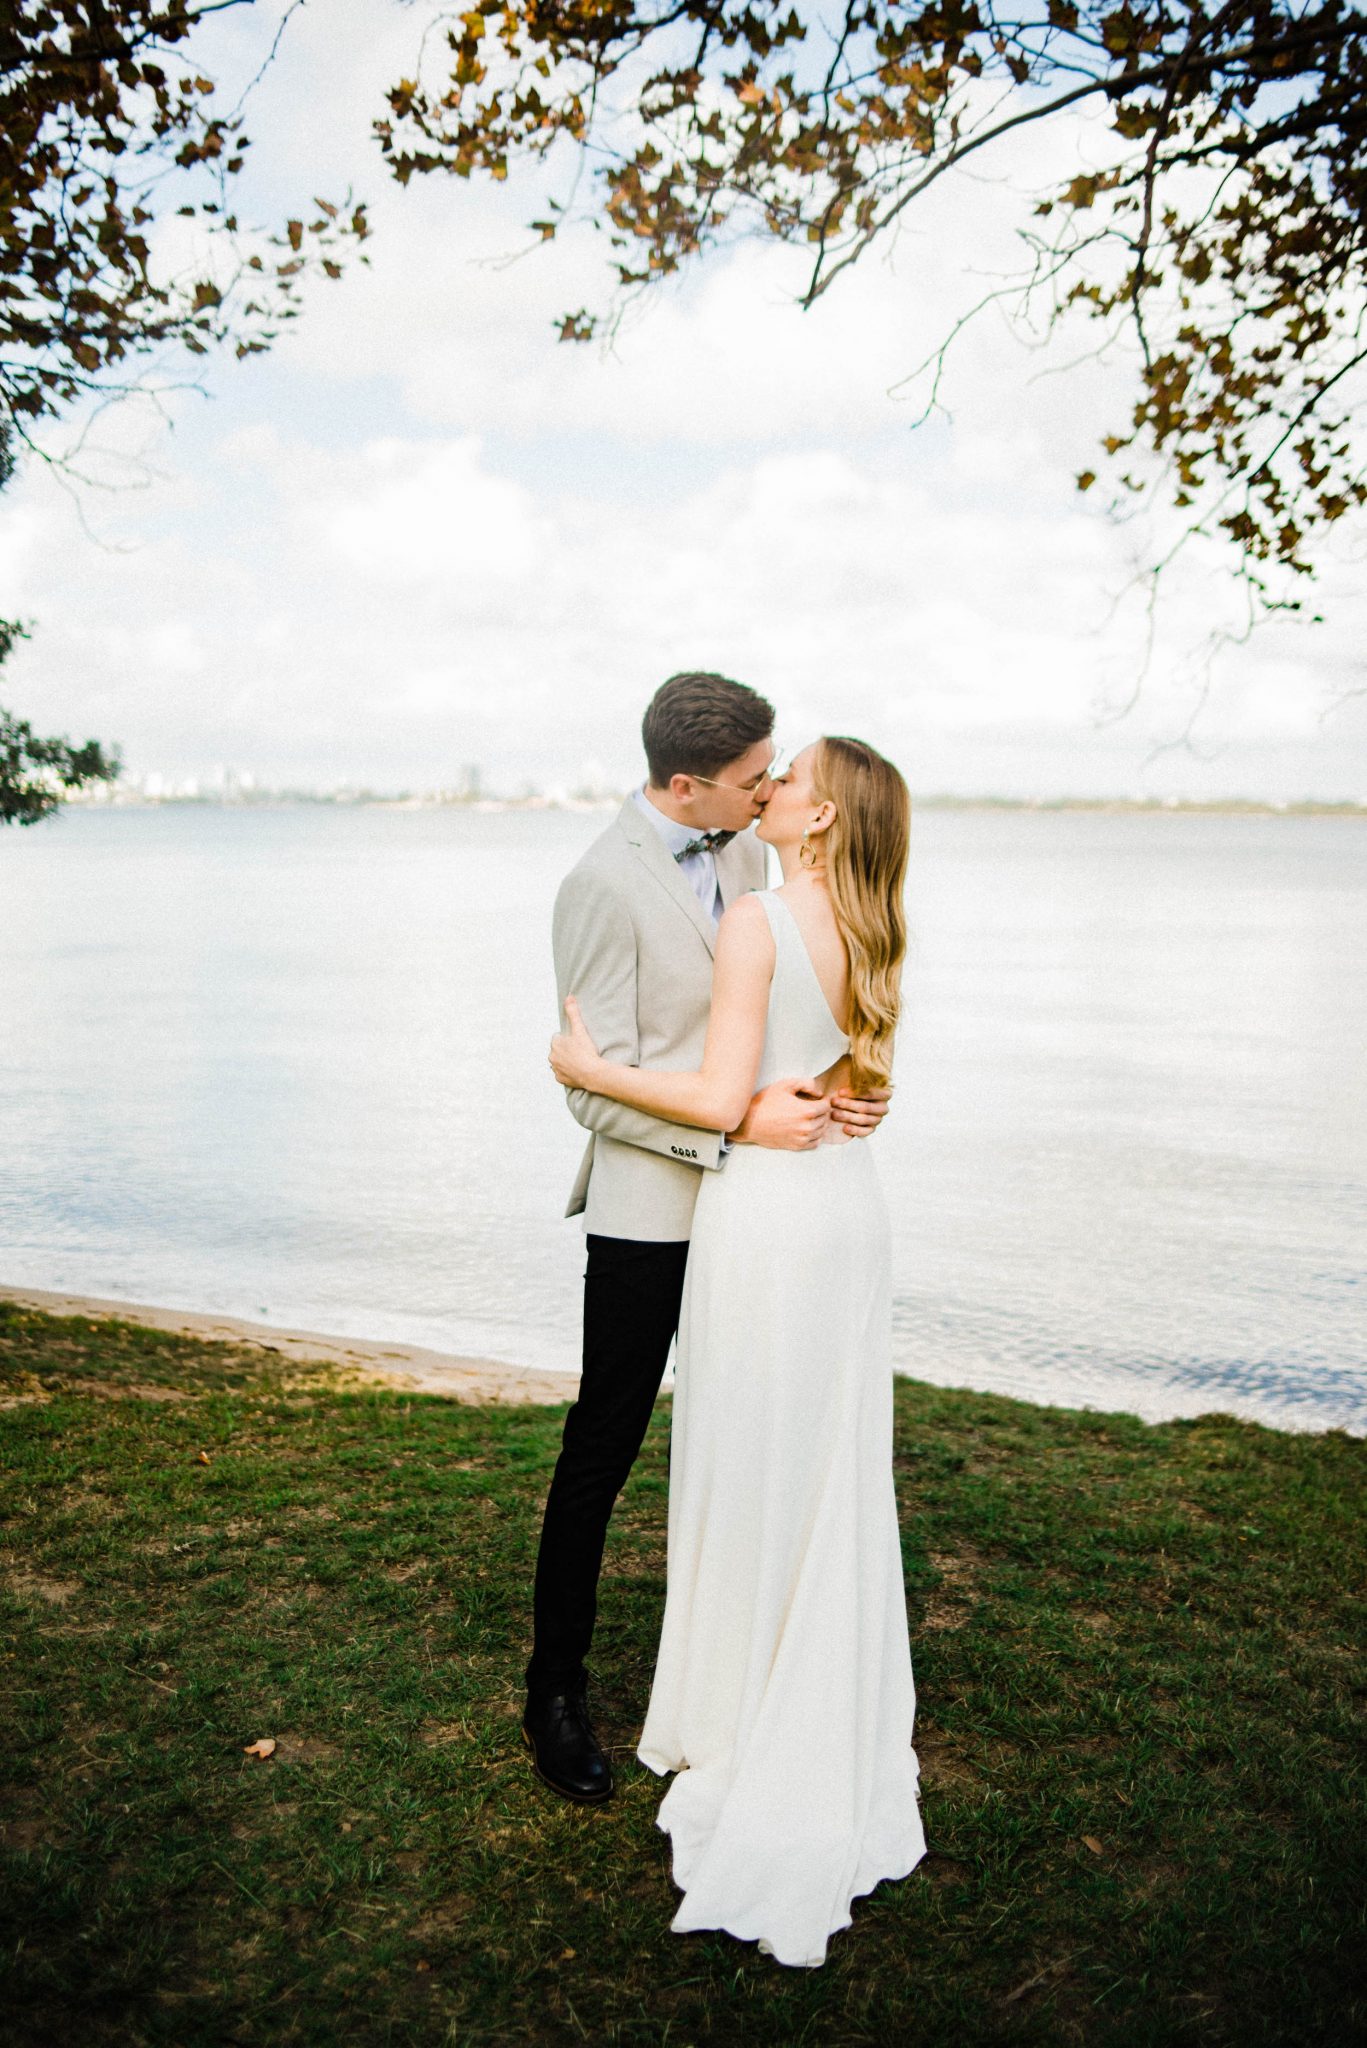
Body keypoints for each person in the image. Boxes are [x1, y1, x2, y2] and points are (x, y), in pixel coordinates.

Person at [548, 734, 926, 1968]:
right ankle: (793, 1682)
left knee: (754, 1453)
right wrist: (842, 1099)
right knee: (823, 1460)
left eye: (793, 780)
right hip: (845, 1208)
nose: (772, 790)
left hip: (767, 1213)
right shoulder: (874, 920)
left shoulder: (759, 917)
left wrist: (584, 1066)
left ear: (820, 820)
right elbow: (857, 1077)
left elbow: (721, 1101)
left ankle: (743, 1704)